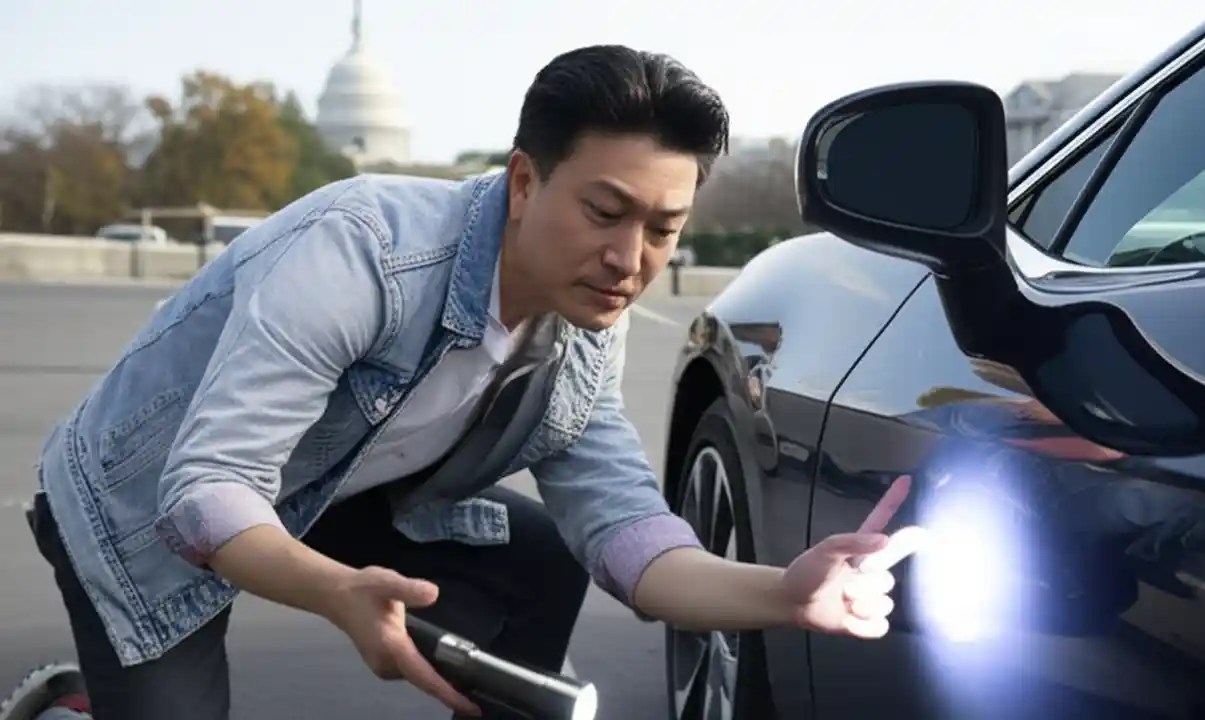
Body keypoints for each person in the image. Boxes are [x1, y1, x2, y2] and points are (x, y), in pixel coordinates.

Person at [7, 44, 921, 720]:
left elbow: (626, 532)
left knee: (546, 556)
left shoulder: (582, 325)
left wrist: (785, 592)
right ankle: (95, 699)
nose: (627, 259)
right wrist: (335, 591)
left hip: (333, 494)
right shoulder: (363, 252)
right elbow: (206, 494)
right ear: (524, 182)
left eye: (663, 229)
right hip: (142, 506)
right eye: (605, 212)